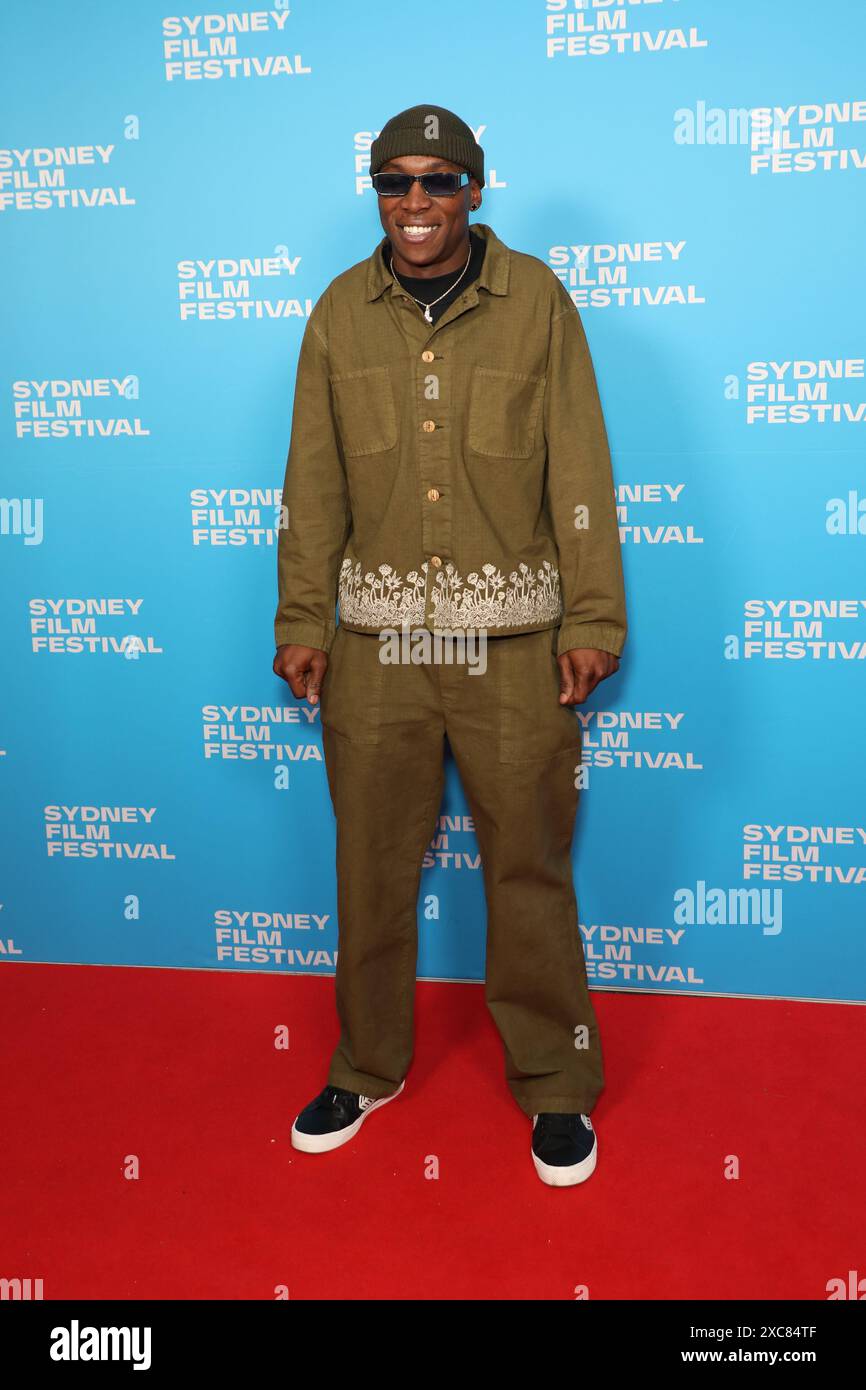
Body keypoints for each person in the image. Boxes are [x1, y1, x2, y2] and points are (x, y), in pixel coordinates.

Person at [273, 104, 627, 1186]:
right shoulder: (339, 313)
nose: (414, 203)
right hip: (374, 648)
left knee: (526, 868)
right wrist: (300, 621)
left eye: (437, 181)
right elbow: (312, 484)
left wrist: (592, 617)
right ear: (376, 193)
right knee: (368, 866)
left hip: (513, 643)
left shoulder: (538, 307)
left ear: (476, 190)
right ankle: (365, 1064)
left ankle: (555, 1086)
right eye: (394, 183)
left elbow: (578, 472)